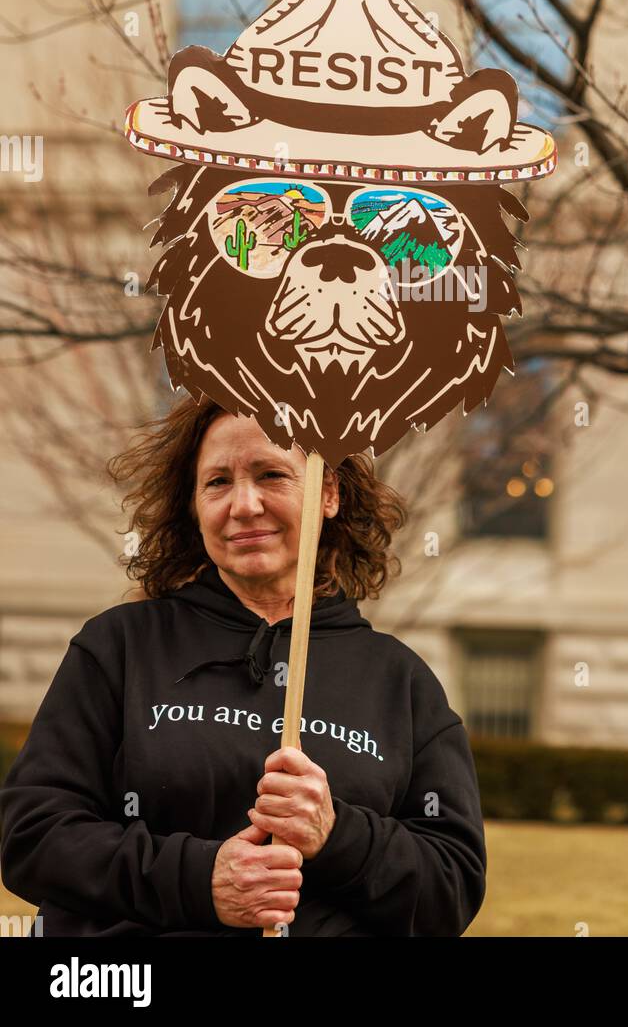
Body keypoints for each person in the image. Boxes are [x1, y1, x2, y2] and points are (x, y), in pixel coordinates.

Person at [0, 397, 487, 937]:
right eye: (217, 483)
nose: (244, 504)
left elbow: (451, 890)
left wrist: (336, 833)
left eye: (271, 474)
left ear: (328, 493)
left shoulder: (402, 682)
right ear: (192, 505)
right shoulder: (120, 646)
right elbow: (32, 836)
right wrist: (198, 879)